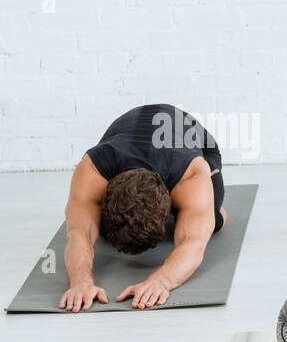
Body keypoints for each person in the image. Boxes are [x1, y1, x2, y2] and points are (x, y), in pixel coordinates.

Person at [58, 104, 228, 311]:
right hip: (130, 123)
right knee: (96, 226)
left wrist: (161, 281)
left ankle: (211, 216)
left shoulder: (190, 174)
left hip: (191, 135)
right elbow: (78, 233)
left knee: (211, 222)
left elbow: (193, 244)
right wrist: (80, 282)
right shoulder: (93, 169)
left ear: (168, 198)